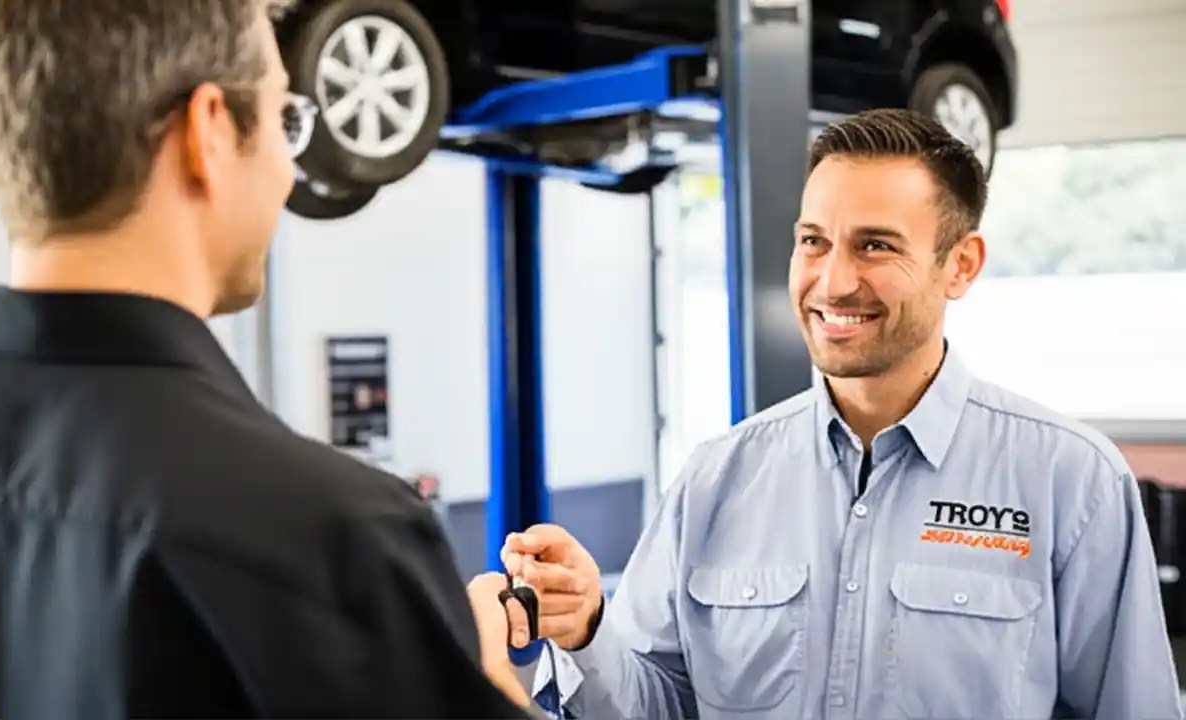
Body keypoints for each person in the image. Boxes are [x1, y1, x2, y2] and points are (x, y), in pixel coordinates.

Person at [0, 1, 530, 717]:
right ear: (208, 132)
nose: (288, 174)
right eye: (283, 119)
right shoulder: (335, 538)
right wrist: (480, 667)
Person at [497, 109, 1184, 720]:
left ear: (961, 265)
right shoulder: (714, 479)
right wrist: (588, 629)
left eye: (875, 245)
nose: (832, 282)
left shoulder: (1071, 482)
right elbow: (660, 704)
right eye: (814, 241)